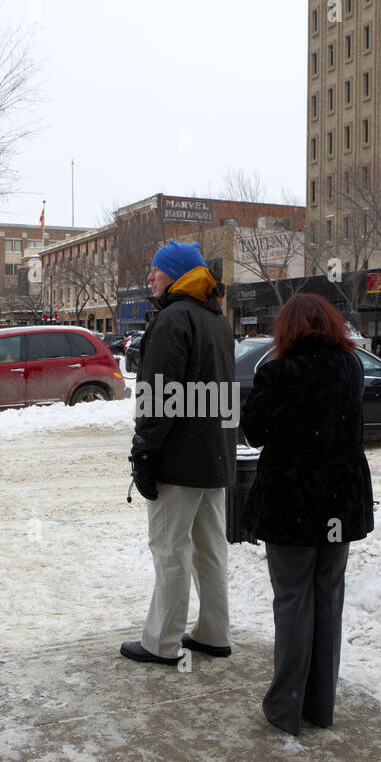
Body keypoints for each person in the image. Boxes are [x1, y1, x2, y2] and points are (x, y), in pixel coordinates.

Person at [240, 293, 375, 735]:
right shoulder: (351, 367)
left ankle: (285, 708)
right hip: (340, 501)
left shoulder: (278, 372)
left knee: (293, 599)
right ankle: (320, 706)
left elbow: (255, 433)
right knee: (328, 599)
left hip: (291, 503)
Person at [123, 241, 237, 665]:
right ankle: (213, 633)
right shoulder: (216, 320)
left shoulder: (172, 320)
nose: (150, 276)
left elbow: (157, 395)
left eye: (156, 270)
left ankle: (161, 643)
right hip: (214, 456)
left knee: (170, 549)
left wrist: (145, 452)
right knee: (210, 549)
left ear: (175, 274)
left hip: (180, 458)